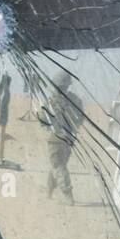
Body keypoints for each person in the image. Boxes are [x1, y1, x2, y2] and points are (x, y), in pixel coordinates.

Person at [41, 71, 84, 203]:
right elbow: (80, 119)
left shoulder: (51, 101)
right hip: (69, 139)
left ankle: (67, 194)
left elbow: (43, 120)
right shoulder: (76, 99)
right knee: (58, 165)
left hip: (54, 139)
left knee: (58, 166)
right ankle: (49, 190)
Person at [0, 72, 12, 162]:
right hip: (3, 116)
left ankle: (0, 156)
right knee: (2, 137)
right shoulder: (5, 92)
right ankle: (0, 156)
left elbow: (2, 105)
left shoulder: (5, 92)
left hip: (3, 116)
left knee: (2, 137)